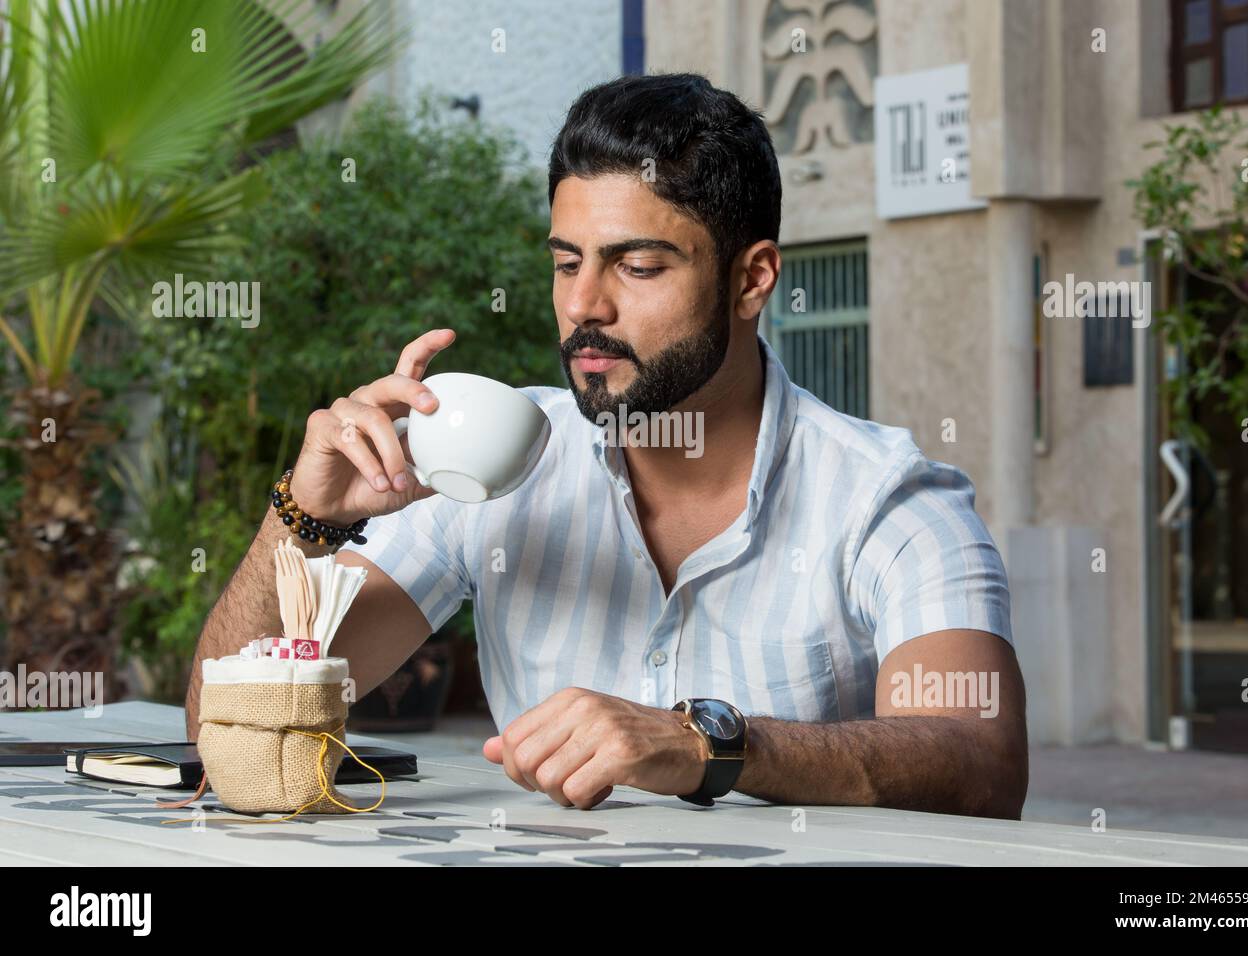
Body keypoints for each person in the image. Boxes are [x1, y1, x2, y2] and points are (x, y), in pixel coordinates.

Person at [186, 72, 1027, 816]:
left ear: (752, 278)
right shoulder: (496, 457)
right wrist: (303, 518)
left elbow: (981, 759)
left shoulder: (890, 498)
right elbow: (225, 732)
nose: (584, 304)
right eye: (566, 263)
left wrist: (707, 748)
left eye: (638, 266)